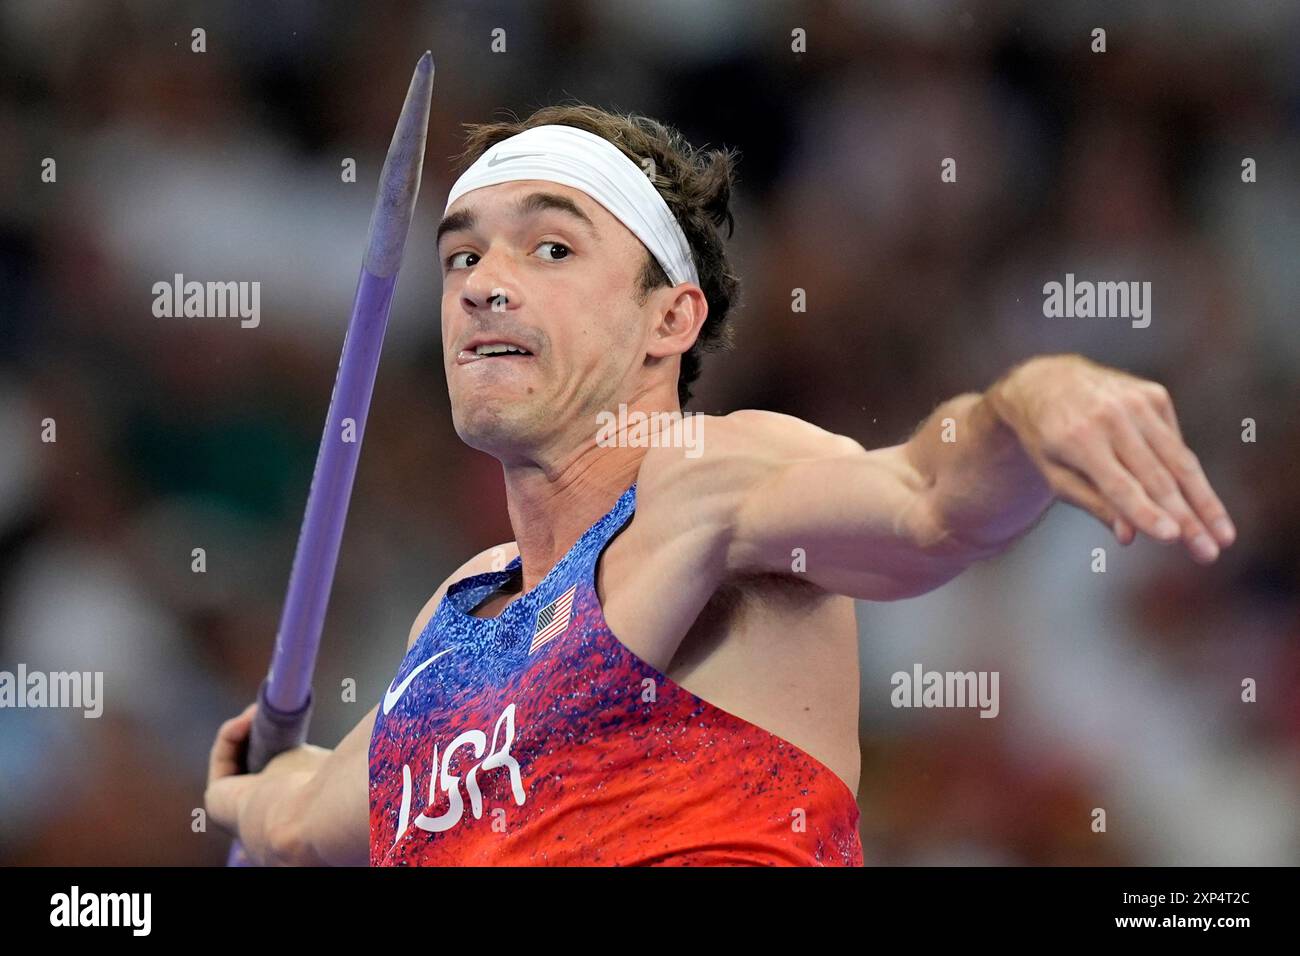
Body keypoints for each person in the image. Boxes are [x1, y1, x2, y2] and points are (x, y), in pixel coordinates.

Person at [205, 105, 1235, 866]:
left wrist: (1026, 400)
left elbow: (929, 499)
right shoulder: (455, 613)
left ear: (671, 318)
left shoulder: (708, 490)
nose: (482, 280)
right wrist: (247, 793)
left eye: (549, 245)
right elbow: (303, 811)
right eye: (461, 253)